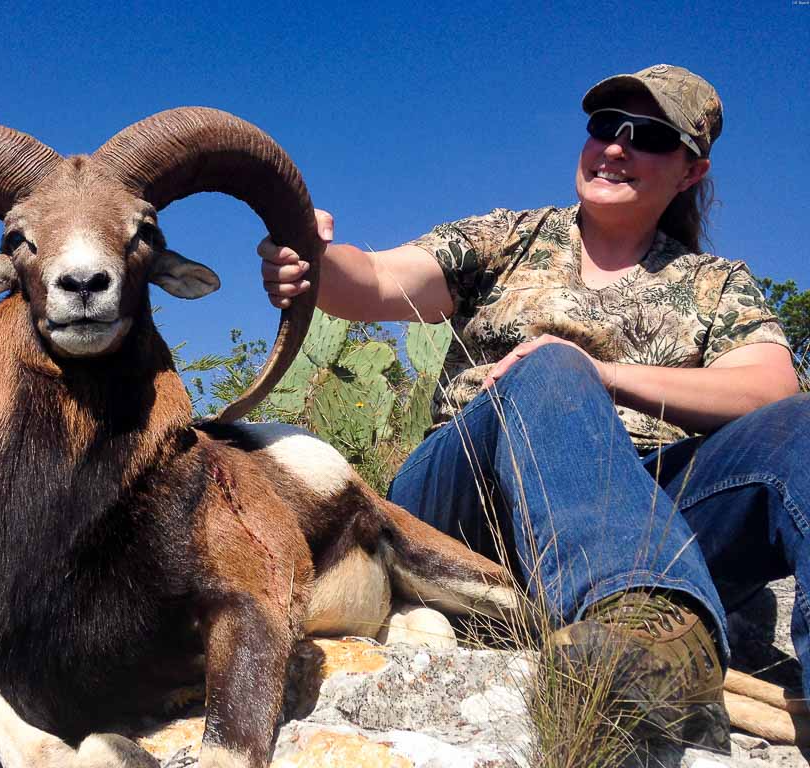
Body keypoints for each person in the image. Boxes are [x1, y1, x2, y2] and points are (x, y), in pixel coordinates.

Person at [258, 64, 809, 751]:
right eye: (606, 127)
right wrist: (314, 256)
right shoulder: (509, 239)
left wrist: (604, 374)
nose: (616, 146)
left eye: (650, 137)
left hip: (646, 509)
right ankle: (640, 613)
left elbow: (771, 390)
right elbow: (372, 283)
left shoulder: (714, 283)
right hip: (465, 507)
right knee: (549, 370)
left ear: (691, 174)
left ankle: (651, 642)